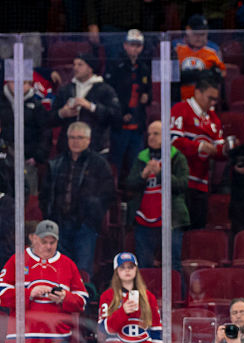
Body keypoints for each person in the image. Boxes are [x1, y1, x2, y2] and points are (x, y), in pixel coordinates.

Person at [0, 220, 88, 343]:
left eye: (52, 242)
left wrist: (65, 297)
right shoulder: (17, 260)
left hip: (57, 342)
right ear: (34, 239)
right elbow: (2, 294)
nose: (48, 246)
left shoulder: (68, 264)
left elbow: (82, 301)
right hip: (20, 341)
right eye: (43, 241)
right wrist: (28, 293)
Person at [40, 122, 115, 279]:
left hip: (85, 225)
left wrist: (92, 217)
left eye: (80, 138)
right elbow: (45, 193)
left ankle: (82, 301)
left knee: (82, 270)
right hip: (59, 223)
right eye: (72, 138)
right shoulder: (56, 162)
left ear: (88, 140)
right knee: (59, 269)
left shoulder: (99, 164)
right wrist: (50, 216)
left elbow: (108, 195)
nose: (75, 141)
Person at [123, 120, 190, 271]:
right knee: (144, 265)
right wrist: (143, 175)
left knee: (173, 264)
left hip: (171, 220)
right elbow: (129, 185)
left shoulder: (177, 157)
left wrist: (161, 173)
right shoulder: (141, 157)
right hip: (144, 220)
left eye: (156, 134)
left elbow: (183, 184)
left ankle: (177, 295)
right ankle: (147, 295)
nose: (151, 137)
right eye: (149, 134)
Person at [170, 75, 226, 231]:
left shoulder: (213, 118)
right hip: (181, 181)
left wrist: (227, 149)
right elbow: (173, 142)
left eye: (216, 99)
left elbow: (220, 150)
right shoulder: (181, 110)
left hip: (201, 184)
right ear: (198, 93)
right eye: (210, 98)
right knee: (180, 231)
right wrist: (199, 147)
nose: (213, 103)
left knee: (197, 229)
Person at [51, 53, 120, 157]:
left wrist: (91, 107)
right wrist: (62, 113)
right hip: (67, 149)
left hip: (96, 148)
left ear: (90, 68)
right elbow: (49, 119)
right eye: (74, 64)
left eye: (80, 65)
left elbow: (115, 116)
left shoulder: (106, 90)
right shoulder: (65, 90)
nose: (75, 68)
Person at [105, 29, 150, 181]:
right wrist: (121, 113)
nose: (135, 49)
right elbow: (109, 93)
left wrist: (147, 97)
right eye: (132, 45)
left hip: (137, 125)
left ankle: (133, 199)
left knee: (135, 164)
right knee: (115, 164)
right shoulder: (115, 65)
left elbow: (148, 91)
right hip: (119, 125)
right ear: (125, 45)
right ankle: (113, 198)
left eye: (138, 45)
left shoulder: (143, 67)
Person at [98, 252, 161, 343]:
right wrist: (123, 312)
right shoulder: (107, 296)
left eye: (131, 267)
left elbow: (157, 331)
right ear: (116, 271)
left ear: (136, 269)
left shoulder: (149, 297)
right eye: (122, 267)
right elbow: (103, 330)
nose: (127, 270)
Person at [174, 14, 225, 102]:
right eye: (196, 34)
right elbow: (172, 76)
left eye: (202, 34)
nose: (199, 38)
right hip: (180, 100)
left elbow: (221, 74)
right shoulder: (176, 48)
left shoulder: (213, 50)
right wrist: (200, 74)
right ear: (188, 31)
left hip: (204, 101)